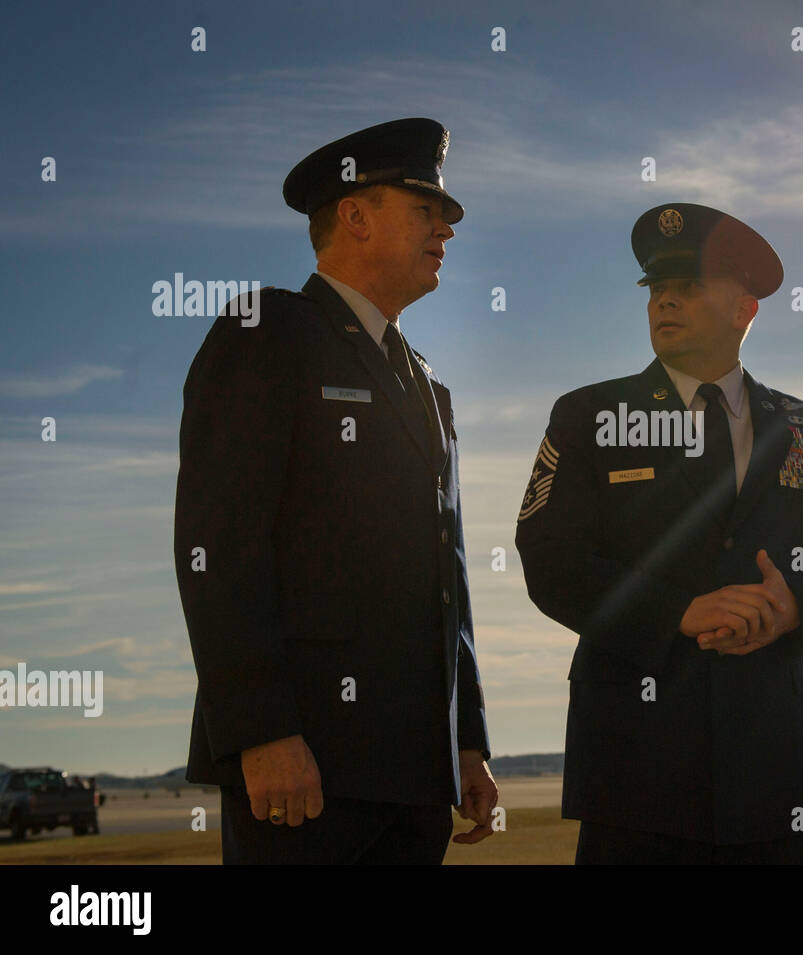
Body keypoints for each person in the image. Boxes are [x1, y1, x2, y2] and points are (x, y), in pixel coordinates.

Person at [174, 118, 496, 864]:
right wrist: (261, 729)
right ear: (354, 214)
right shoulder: (269, 333)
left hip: (415, 773)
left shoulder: (427, 386)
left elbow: (447, 579)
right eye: (425, 209)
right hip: (307, 765)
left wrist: (467, 741)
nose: (445, 228)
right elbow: (216, 545)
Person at [515, 203, 803, 864]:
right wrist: (678, 610)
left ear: (746, 307)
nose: (666, 302)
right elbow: (550, 558)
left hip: (772, 770)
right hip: (634, 770)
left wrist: (794, 606)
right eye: (657, 289)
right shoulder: (592, 415)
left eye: (688, 286)